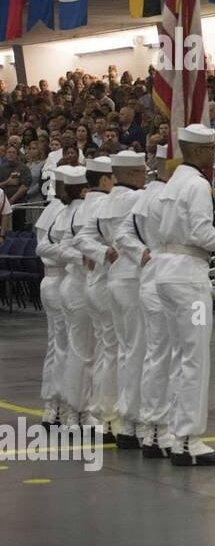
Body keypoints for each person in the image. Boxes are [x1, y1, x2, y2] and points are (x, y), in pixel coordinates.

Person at [151, 125, 215, 467]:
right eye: (211, 149)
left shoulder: (174, 182)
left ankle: (174, 433)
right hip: (188, 279)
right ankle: (188, 440)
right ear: (198, 152)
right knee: (195, 358)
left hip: (168, 274)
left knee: (176, 355)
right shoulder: (198, 185)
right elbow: (202, 234)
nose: (214, 154)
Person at [131, 144, 177, 458]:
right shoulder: (165, 196)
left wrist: (139, 252)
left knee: (153, 355)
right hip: (165, 280)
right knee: (168, 357)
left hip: (148, 279)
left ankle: (151, 430)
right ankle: (160, 429)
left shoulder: (143, 195)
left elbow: (124, 232)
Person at [71, 156, 120, 440]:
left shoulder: (86, 205)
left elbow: (79, 239)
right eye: (113, 178)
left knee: (103, 350)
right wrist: (103, 253)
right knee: (110, 352)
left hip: (91, 283)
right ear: (104, 180)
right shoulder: (102, 203)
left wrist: (93, 253)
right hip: (103, 282)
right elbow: (86, 241)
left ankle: (97, 411)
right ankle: (106, 415)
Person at [102, 151, 147, 450]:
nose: (146, 175)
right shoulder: (134, 199)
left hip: (113, 277)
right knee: (138, 351)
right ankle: (134, 420)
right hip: (132, 277)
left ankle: (115, 416)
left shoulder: (106, 201)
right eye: (142, 171)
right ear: (131, 173)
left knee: (120, 351)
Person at [54, 165, 92, 432]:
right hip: (81, 285)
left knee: (73, 351)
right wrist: (87, 259)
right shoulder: (83, 211)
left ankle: (71, 410)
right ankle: (79, 411)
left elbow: (62, 249)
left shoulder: (67, 213)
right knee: (84, 353)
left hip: (69, 283)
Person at [34, 170, 70, 429]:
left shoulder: (50, 210)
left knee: (56, 345)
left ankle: (52, 407)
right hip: (61, 279)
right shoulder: (62, 212)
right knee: (65, 346)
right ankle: (60, 406)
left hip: (50, 280)